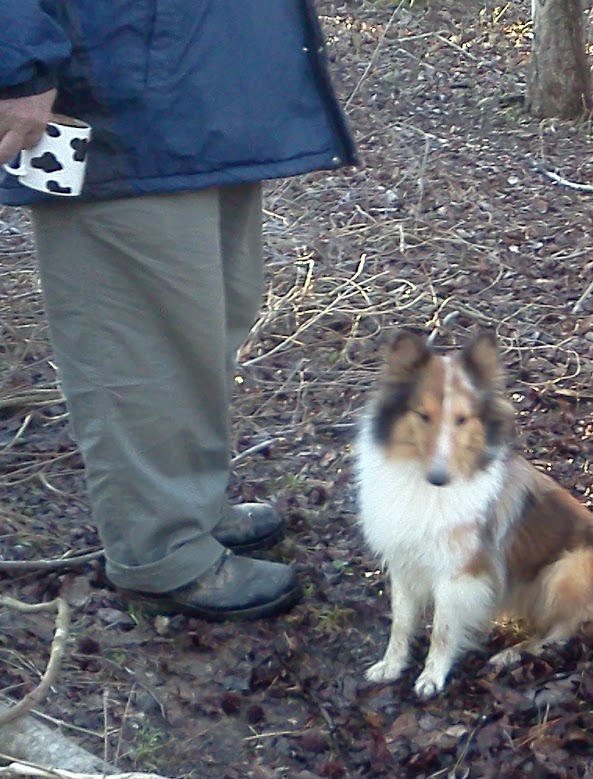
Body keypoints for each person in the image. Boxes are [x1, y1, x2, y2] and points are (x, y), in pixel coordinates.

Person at [0, 0, 356, 619]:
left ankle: (189, 508)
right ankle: (159, 550)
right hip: (116, 94)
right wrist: (14, 63)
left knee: (202, 326)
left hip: (197, 90)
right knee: (139, 342)